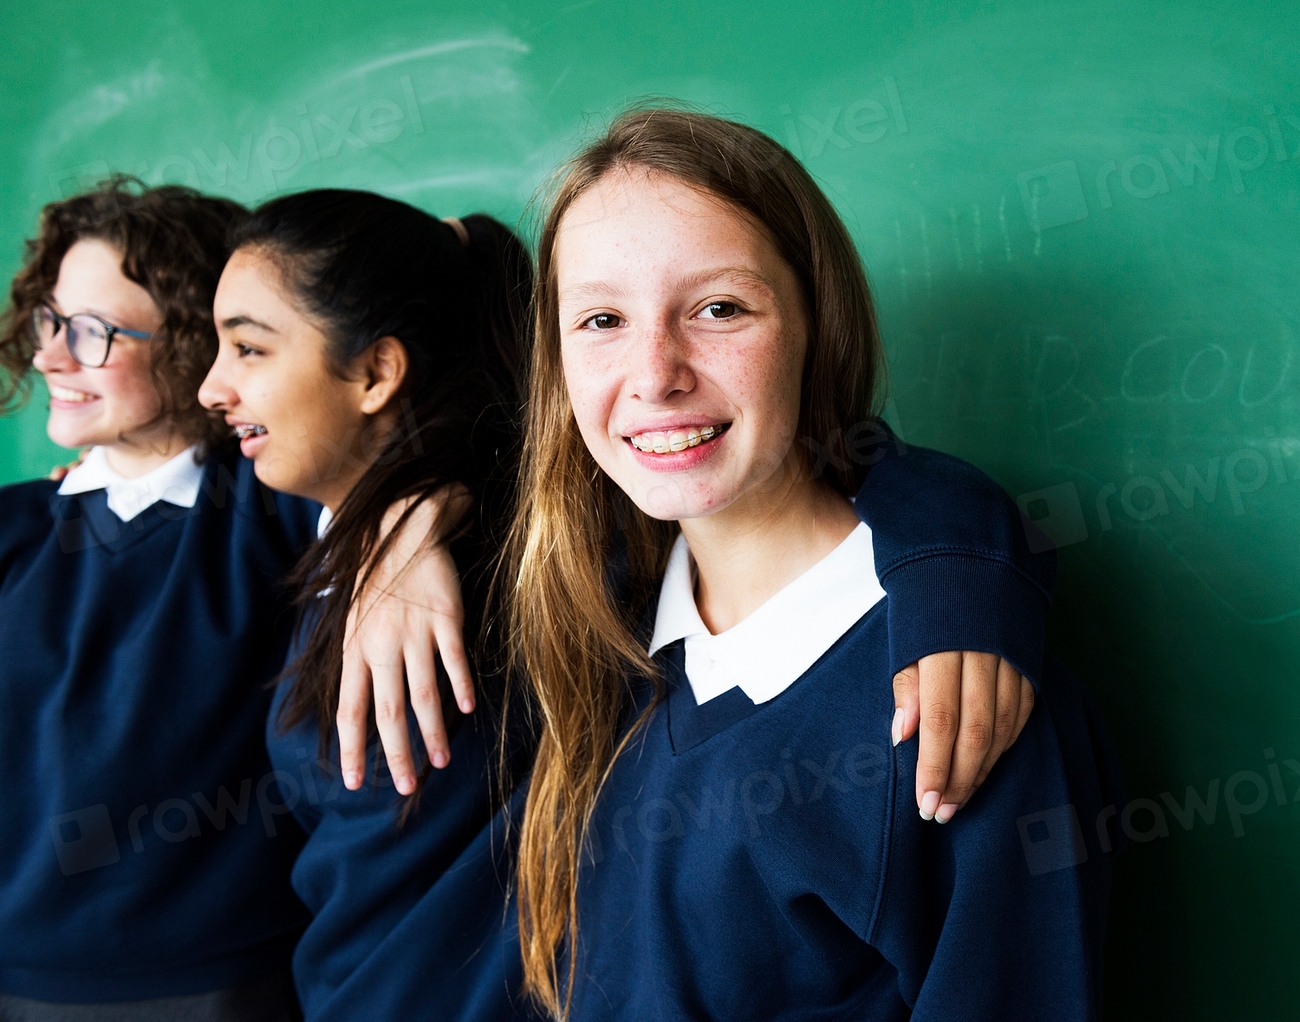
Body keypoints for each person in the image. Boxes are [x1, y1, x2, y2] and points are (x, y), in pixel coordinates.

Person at [502, 107, 1123, 1020]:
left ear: (813, 324)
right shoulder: (604, 632)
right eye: (601, 318)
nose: (654, 372)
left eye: (718, 308)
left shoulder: (964, 699)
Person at [0, 180, 471, 1020]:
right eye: (49, 320)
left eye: (93, 332)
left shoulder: (274, 502)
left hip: (229, 986)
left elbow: (425, 445)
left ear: (188, 340)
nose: (50, 357)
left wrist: (413, 523)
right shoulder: (21, 525)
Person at [197, 189, 535, 1021]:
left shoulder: (482, 574)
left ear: (378, 372)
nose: (211, 387)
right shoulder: (332, 532)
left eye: (248, 349)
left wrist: (425, 514)